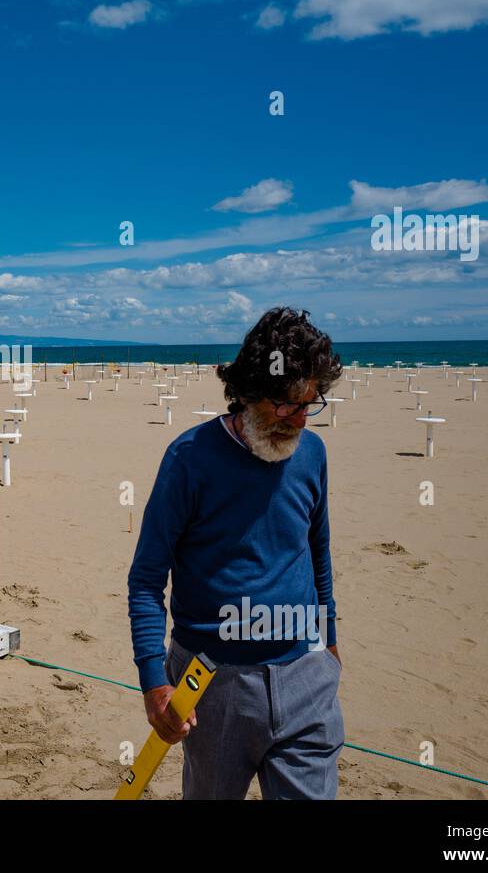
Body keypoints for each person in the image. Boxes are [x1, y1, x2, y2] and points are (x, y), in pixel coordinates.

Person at [127, 306, 345, 799]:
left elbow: (318, 549)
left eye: (311, 403)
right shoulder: (189, 458)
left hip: (307, 676)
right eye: (285, 404)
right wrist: (153, 680)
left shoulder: (313, 454)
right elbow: (145, 579)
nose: (298, 419)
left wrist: (329, 642)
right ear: (246, 390)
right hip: (211, 686)